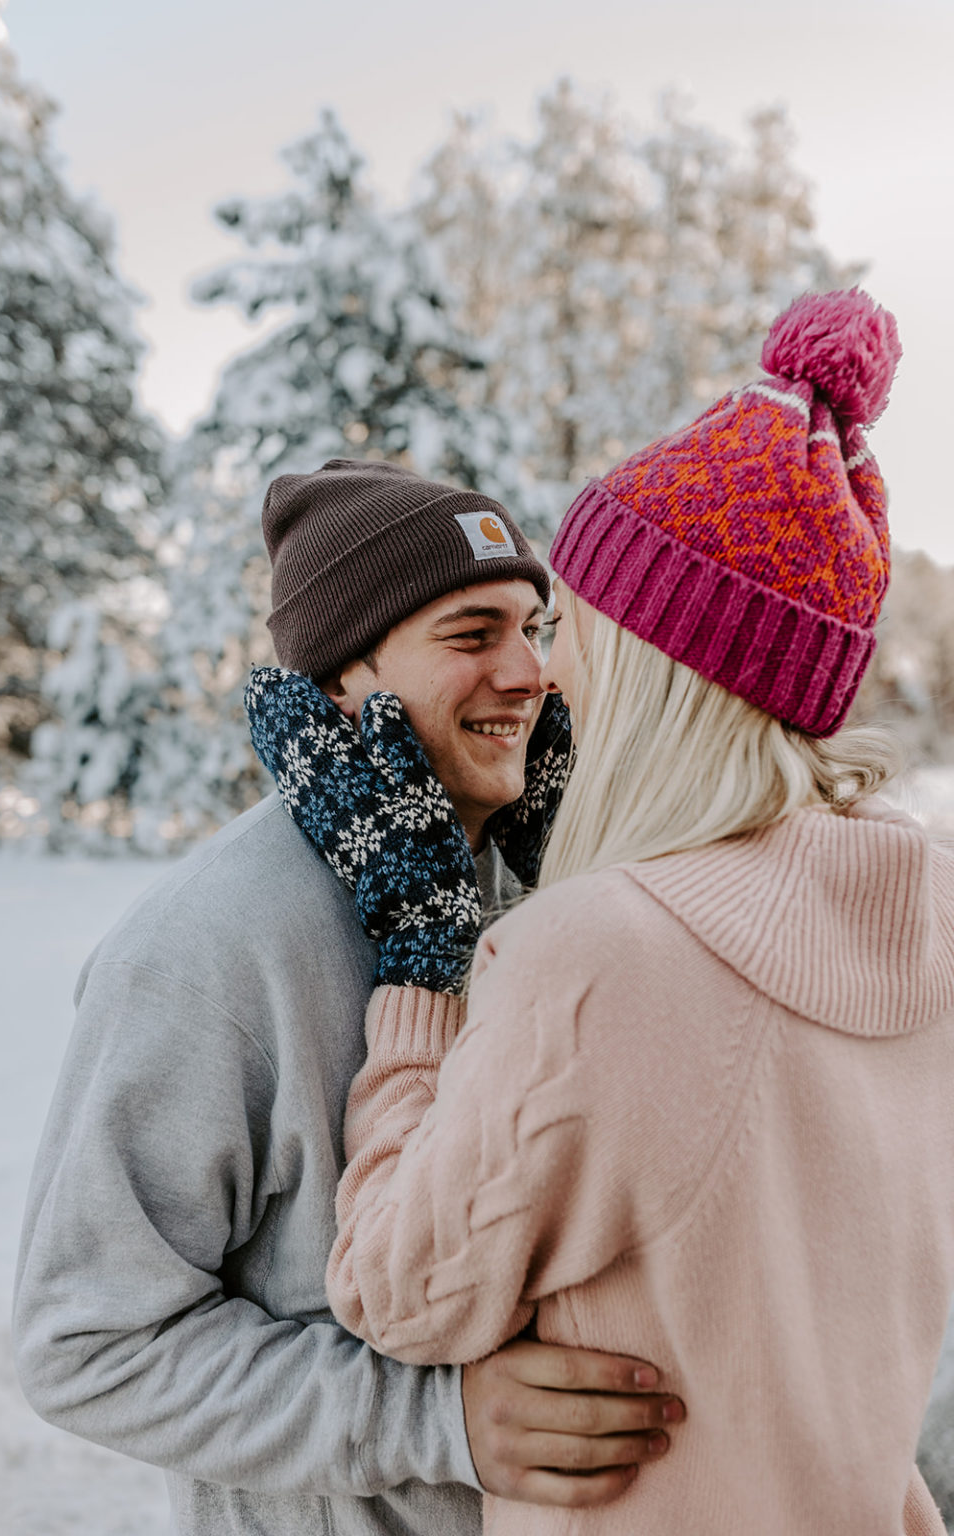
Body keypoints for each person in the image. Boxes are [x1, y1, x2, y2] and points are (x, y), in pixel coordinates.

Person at [248, 293, 954, 1534]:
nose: (547, 670)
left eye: (568, 627)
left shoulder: (601, 949)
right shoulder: (928, 912)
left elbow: (401, 1292)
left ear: (652, 664)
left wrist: (424, 969)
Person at [12, 460, 684, 1536]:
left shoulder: (556, 891)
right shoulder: (205, 947)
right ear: (342, 683)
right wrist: (435, 1420)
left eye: (534, 627)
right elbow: (88, 1344)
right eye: (471, 637)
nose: (529, 674)